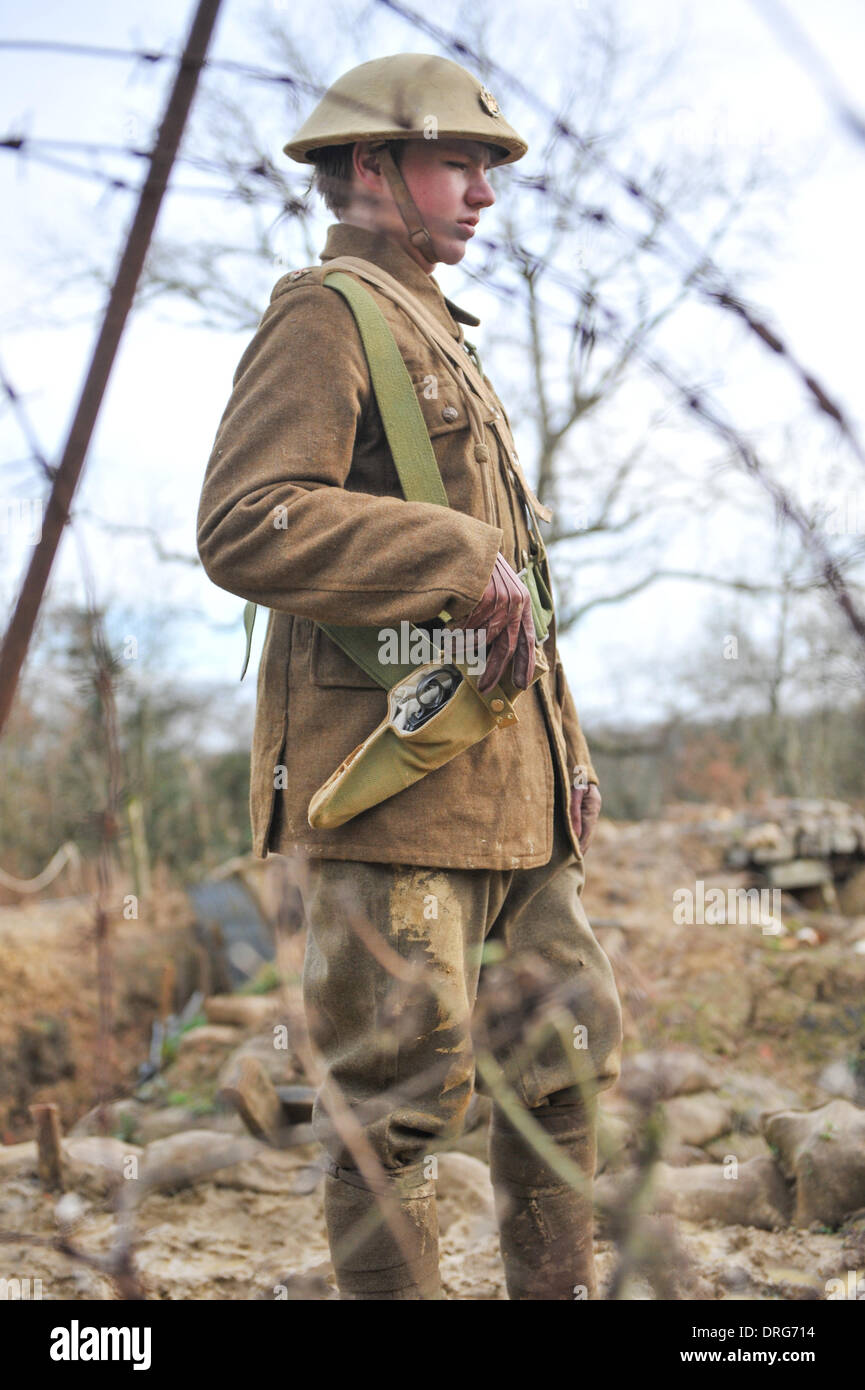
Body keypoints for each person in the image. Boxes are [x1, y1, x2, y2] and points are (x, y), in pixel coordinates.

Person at [196, 52, 623, 1300]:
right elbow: (246, 520)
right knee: (396, 1107)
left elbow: (521, 595)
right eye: (461, 162)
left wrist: (570, 754)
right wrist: (455, 547)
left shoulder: (444, 333)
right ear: (372, 169)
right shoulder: (325, 316)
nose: (486, 190)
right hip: (390, 798)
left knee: (563, 1058)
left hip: (508, 789)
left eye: (489, 166)